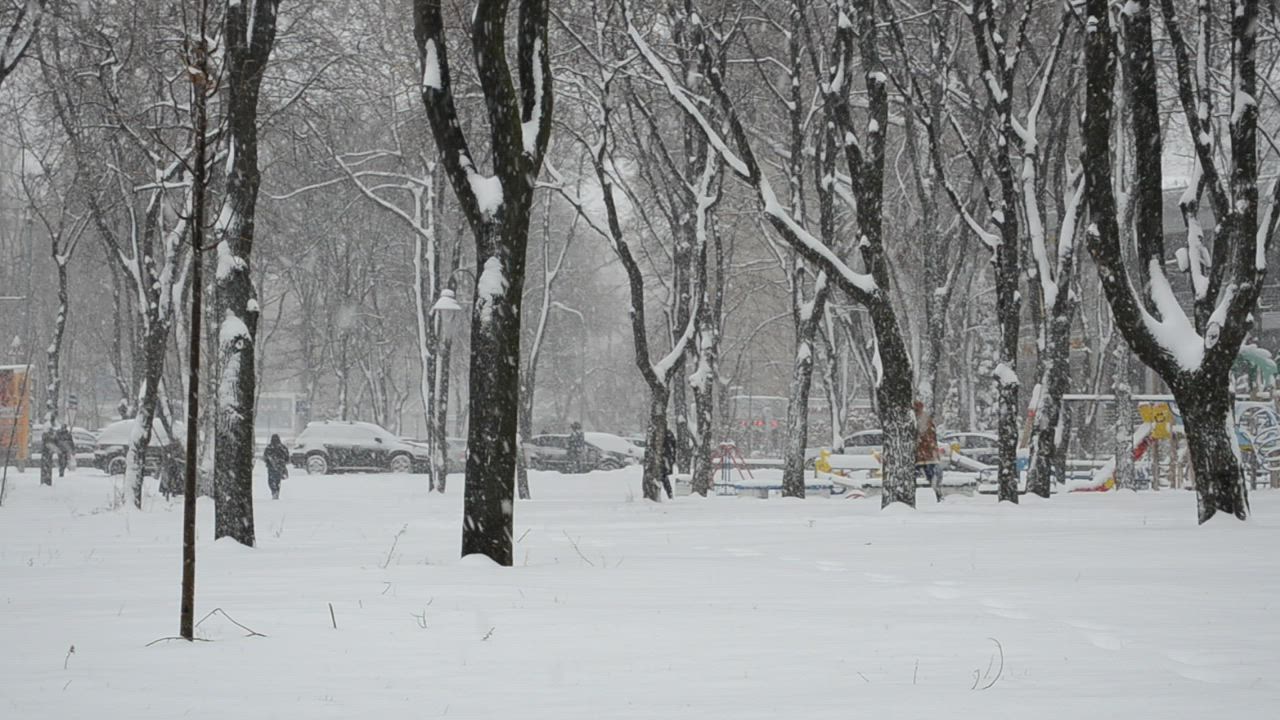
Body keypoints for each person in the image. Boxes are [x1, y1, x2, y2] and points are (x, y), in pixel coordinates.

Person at [914, 400, 943, 502]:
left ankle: (937, 493)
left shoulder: (919, 420)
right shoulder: (926, 419)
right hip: (929, 455)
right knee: (931, 476)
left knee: (928, 475)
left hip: (923, 456)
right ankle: (937, 493)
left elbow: (922, 436)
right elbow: (931, 437)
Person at [263, 434, 290, 499]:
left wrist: (269, 462)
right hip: (279, 467)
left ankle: (274, 491)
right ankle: (276, 492)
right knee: (277, 481)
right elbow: (287, 458)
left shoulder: (269, 448)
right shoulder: (283, 448)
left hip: (271, 468)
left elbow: (265, 457)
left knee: (271, 481)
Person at [660, 427, 676, 499]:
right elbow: (674, 446)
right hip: (666, 457)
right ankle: (669, 493)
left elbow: (673, 446)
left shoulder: (664, 433)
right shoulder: (669, 433)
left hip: (663, 457)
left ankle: (669, 493)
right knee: (663, 476)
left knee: (662, 476)